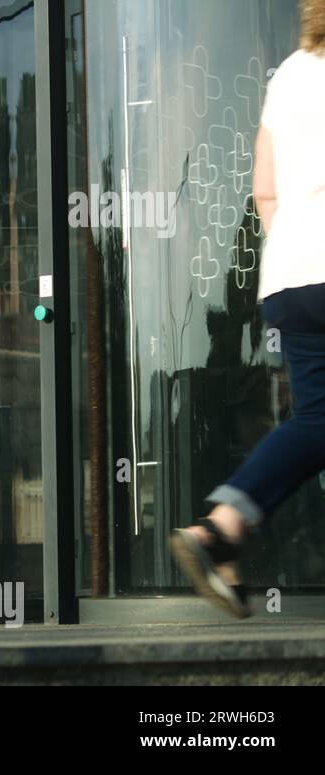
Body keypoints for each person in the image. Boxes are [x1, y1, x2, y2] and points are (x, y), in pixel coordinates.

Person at [170, 0, 325, 619]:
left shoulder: (289, 73)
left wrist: (293, 250)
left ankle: (222, 528)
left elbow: (264, 188)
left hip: (289, 274)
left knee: (316, 420)